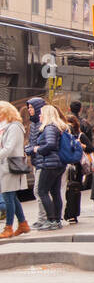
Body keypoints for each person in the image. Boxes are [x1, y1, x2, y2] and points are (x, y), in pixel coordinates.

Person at [26, 103, 69, 230]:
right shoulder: (58, 127)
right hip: (58, 164)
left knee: (42, 191)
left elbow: (50, 144)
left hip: (49, 164)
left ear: (47, 115)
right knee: (55, 192)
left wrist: (37, 149)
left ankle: (51, 220)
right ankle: (56, 219)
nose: (39, 116)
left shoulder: (49, 128)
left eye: (41, 114)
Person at [0, 101, 31, 239]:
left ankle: (9, 227)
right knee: (12, 197)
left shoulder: (14, 127)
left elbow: (9, 148)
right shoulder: (7, 126)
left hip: (10, 166)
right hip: (6, 166)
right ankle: (23, 224)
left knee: (8, 196)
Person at [63, 113, 91, 224]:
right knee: (67, 191)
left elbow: (90, 148)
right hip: (69, 166)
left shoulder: (80, 136)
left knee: (74, 190)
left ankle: (72, 214)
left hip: (77, 168)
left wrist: (81, 146)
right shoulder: (65, 136)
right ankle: (67, 213)